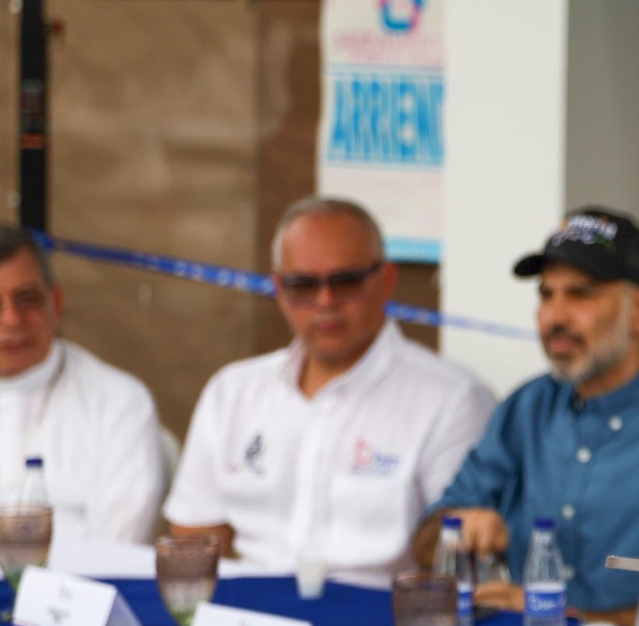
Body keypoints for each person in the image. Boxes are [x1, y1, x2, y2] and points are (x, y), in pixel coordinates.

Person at [414, 208, 639, 626]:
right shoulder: (526, 407)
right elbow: (426, 542)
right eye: (546, 295)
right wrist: (458, 527)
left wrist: (559, 614)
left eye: (581, 295)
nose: (555, 317)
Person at [164, 197, 494, 574]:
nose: (325, 301)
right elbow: (194, 543)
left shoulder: (452, 399)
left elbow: (456, 557)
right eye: (303, 285)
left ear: (386, 281)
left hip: (378, 623)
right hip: (251, 618)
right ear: (278, 288)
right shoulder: (232, 391)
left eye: (346, 282)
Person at [0, 222, 164, 546]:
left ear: (55, 303)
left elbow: (117, 552)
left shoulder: (119, 402)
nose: (12, 320)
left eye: (26, 298)